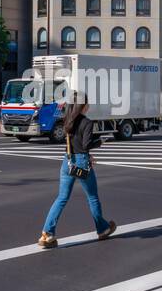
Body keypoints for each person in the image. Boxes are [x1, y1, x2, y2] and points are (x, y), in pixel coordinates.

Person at [38, 97, 116, 248]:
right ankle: (103, 229)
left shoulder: (68, 120)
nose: (89, 106)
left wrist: (86, 155)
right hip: (80, 163)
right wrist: (100, 142)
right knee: (92, 197)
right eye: (88, 103)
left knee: (61, 198)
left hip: (67, 162)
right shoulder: (86, 122)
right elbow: (86, 145)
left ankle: (47, 234)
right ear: (83, 106)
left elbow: (76, 144)